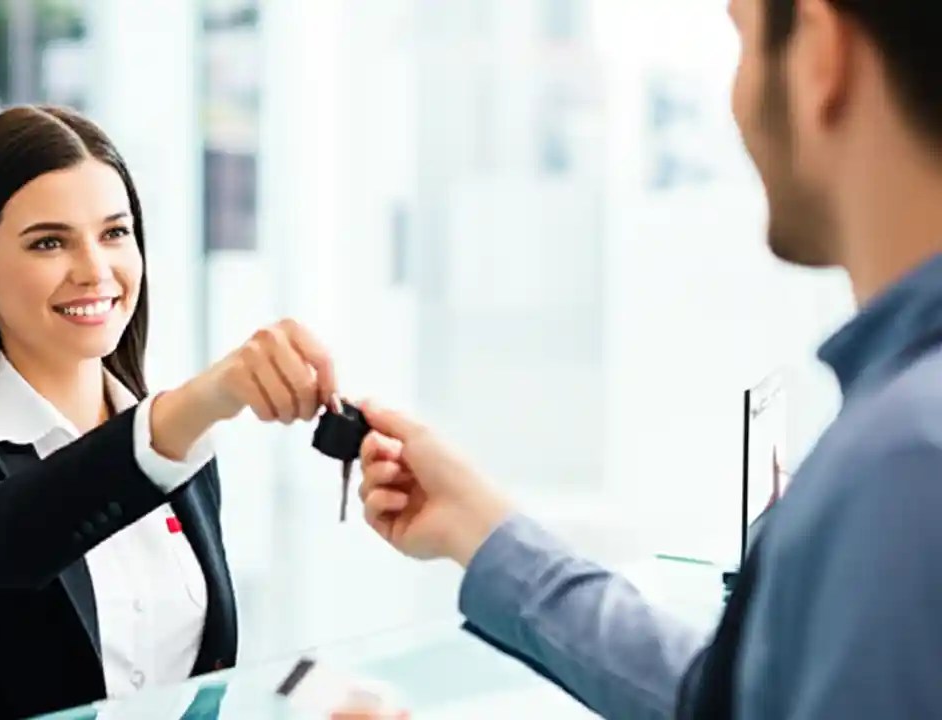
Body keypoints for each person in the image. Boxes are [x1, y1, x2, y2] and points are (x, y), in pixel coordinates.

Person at [356, 0, 942, 718]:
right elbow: (733, 704)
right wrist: (479, 532)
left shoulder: (904, 469)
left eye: (743, 39)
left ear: (820, 56)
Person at [0, 106, 340, 719]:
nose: (95, 271)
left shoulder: (176, 445)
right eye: (50, 242)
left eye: (114, 233)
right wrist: (195, 406)